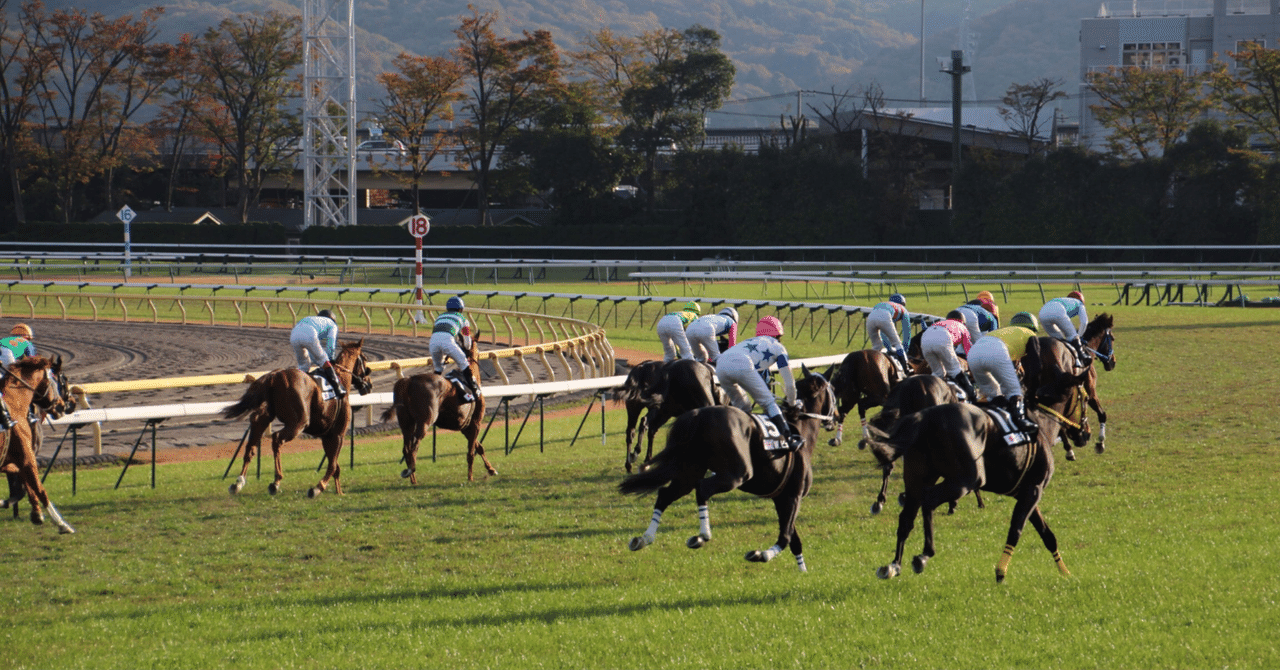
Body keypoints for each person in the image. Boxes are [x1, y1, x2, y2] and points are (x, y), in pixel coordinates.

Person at [714, 315, 804, 451]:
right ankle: (788, 437)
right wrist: (792, 403)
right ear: (778, 334)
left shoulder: (749, 342)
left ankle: (736, 443)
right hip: (742, 364)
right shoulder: (779, 348)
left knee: (743, 408)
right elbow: (790, 383)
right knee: (768, 403)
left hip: (721, 365)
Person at [967, 320, 1040, 434]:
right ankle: (1020, 422)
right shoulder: (1031, 335)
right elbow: (1036, 365)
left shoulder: (1005, 332)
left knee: (993, 394)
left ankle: (991, 422)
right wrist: (1033, 391)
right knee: (1014, 390)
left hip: (973, 354)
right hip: (995, 350)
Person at [920, 311, 976, 401]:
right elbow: (968, 349)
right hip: (943, 337)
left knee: (937, 374)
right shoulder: (962, 327)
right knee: (955, 371)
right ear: (962, 321)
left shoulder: (941, 322)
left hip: (925, 338)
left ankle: (929, 396)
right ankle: (972, 396)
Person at [290, 309, 345, 398]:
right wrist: (330, 359)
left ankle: (299, 388)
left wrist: (317, 361)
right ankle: (338, 389)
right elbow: (331, 344)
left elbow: (312, 349)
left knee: (303, 366)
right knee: (325, 359)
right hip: (309, 333)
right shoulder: (332, 324)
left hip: (293, 335)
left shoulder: (314, 320)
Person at [430, 296, 478, 395]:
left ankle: (432, 389)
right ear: (461, 309)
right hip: (448, 342)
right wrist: (465, 348)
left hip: (432, 343)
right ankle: (473, 390)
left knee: (438, 368)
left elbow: (438, 334)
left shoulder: (439, 317)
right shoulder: (463, 319)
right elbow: (468, 344)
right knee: (464, 363)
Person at [0, 323, 37, 431]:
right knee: (22, 384)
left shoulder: (4, 340)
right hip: (8, 358)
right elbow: (33, 362)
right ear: (27, 337)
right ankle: (28, 415)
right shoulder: (27, 343)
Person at [1039, 290, 1090, 367]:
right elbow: (1084, 322)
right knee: (1072, 336)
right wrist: (1078, 336)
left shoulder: (1064, 300)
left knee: (1059, 339)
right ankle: (1081, 358)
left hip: (1042, 314)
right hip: (1058, 311)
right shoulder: (1080, 304)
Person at [865, 294, 912, 372]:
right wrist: (905, 350)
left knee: (876, 346)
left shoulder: (885, 304)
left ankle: (871, 367)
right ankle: (906, 367)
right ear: (903, 303)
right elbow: (907, 332)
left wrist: (889, 348)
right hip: (885, 316)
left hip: (870, 318)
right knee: (897, 344)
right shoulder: (903, 309)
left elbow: (884, 333)